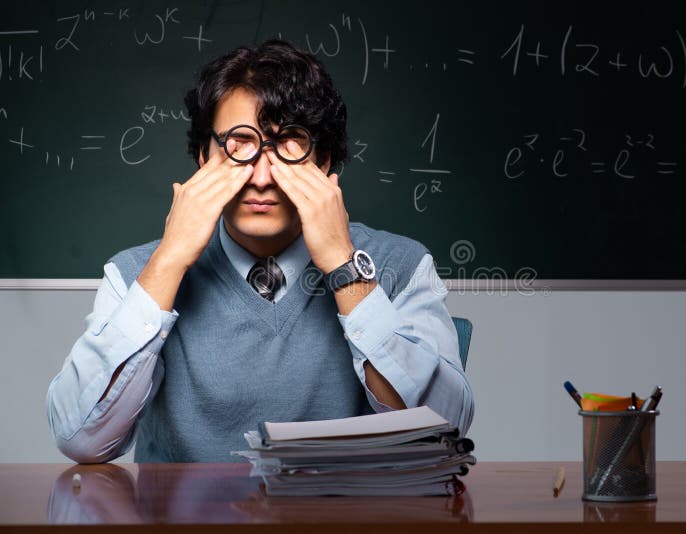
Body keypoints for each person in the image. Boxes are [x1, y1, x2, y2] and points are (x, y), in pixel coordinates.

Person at [46, 39, 474, 463]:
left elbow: (443, 430)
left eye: (288, 142)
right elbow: (80, 438)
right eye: (239, 143)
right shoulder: (136, 273)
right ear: (203, 157)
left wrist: (345, 268)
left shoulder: (401, 264)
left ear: (323, 161)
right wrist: (170, 260)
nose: (262, 177)